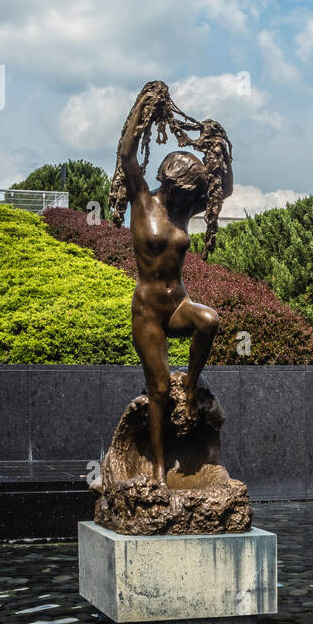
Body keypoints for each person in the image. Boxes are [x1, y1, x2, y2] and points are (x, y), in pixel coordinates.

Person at [112, 81, 232, 484]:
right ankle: (159, 470)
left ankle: (193, 388)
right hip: (148, 308)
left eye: (193, 197)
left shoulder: (184, 210)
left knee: (210, 320)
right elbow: (127, 154)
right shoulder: (142, 199)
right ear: (172, 182)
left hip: (178, 303)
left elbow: (223, 190)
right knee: (158, 390)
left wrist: (219, 150)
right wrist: (144, 110)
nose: (190, 202)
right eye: (186, 193)